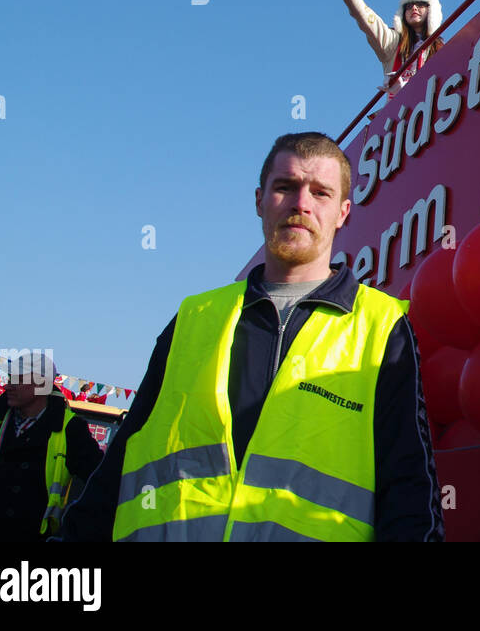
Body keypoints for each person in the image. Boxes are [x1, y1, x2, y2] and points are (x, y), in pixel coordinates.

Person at [61, 132, 444, 542]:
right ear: (260, 200)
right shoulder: (193, 319)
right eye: (286, 187)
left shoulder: (380, 326)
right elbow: (118, 464)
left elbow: (409, 486)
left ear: (343, 212)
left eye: (320, 193)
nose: (301, 204)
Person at [0, 352, 103, 542]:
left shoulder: (70, 428)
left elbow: (101, 480)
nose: (9, 385)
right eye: (10, 377)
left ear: (42, 385)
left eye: (19, 379)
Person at [302, 0, 445, 97]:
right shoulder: (392, 43)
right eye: (408, 5)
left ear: (431, 11)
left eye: (420, 4)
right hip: (402, 116)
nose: (414, 8)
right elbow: (362, 14)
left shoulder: (441, 48)